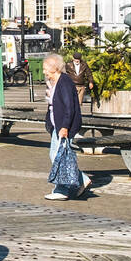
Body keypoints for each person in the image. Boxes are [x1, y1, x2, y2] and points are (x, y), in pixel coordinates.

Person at [43, 52, 92, 201]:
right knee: (57, 155)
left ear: (54, 68)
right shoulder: (56, 82)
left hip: (64, 126)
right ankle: (80, 180)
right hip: (57, 126)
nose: (44, 72)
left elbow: (69, 107)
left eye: (45, 68)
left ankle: (63, 189)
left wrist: (64, 127)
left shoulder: (64, 82)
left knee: (58, 156)